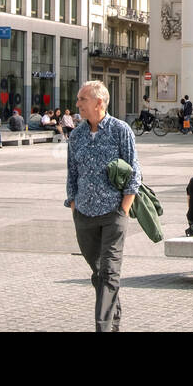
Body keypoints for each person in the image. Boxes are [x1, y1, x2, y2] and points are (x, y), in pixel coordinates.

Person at [65, 80, 141, 333]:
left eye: (82, 100)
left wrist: (123, 209)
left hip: (113, 214)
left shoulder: (121, 130)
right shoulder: (76, 135)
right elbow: (71, 174)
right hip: (84, 215)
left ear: (99, 102)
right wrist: (74, 205)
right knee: (98, 273)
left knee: (109, 272)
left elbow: (134, 173)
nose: (77, 105)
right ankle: (113, 319)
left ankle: (103, 328)